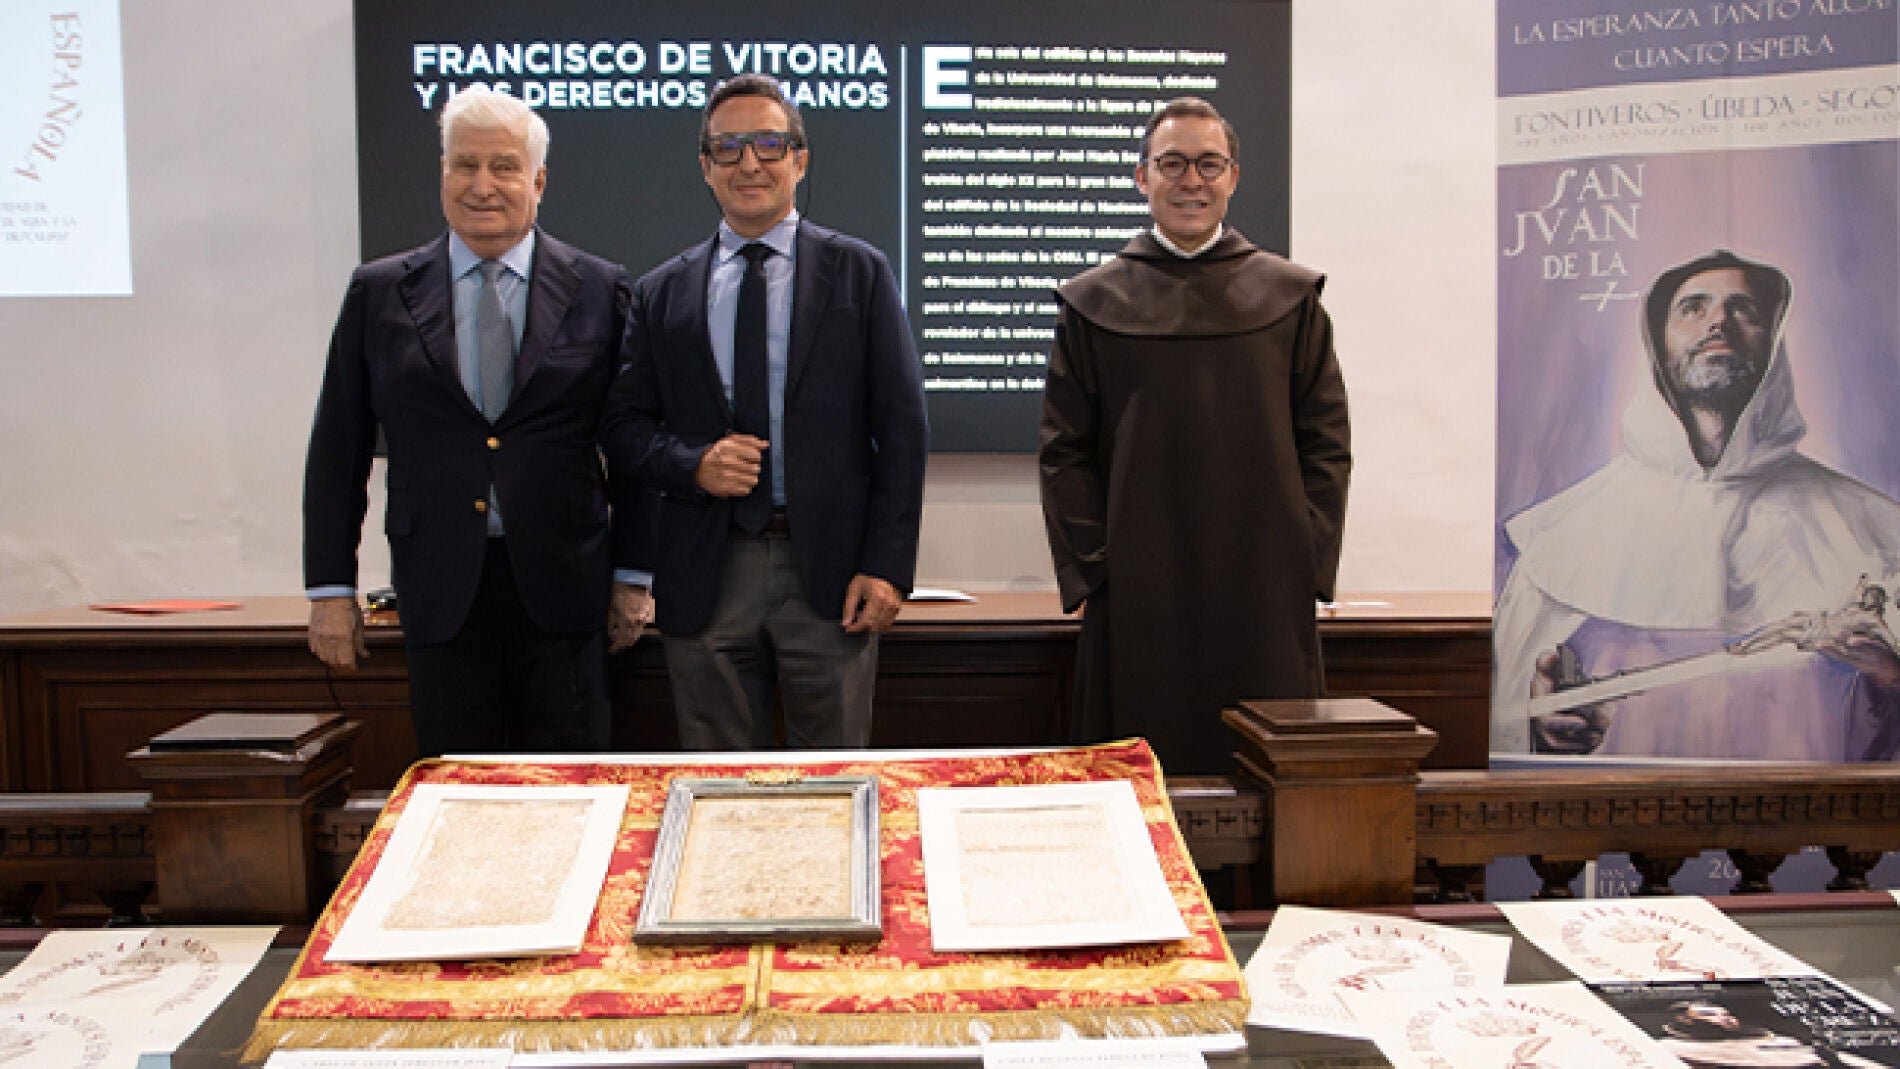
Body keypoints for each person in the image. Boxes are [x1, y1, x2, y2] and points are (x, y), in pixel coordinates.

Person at [303, 86, 651, 758]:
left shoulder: (601, 289)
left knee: (571, 792)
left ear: (538, 180)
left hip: (566, 590)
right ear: (442, 173)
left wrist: (634, 574)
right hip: (439, 590)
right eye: (464, 165)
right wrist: (330, 588)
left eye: (503, 166)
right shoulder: (378, 292)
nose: (482, 185)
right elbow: (337, 448)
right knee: (455, 793)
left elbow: (631, 447)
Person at [603, 74, 927, 751]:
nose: (749, 162)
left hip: (832, 575)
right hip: (706, 570)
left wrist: (890, 564)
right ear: (705, 167)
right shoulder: (663, 292)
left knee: (833, 786)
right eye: (729, 148)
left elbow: (900, 427)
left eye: (769, 144)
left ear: (799, 160)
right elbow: (624, 430)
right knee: (723, 792)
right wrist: (693, 465)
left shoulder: (858, 273)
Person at [1038, 96, 1352, 776]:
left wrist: (1302, 559)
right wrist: (1097, 569)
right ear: (1142, 177)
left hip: (1263, 593)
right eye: (1172, 163)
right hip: (1139, 596)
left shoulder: (1290, 300)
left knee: (1267, 788)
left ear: (1234, 176)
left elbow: (1326, 443)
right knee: (1143, 786)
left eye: (1208, 164)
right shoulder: (1092, 303)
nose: (1191, 180)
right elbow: (1065, 449)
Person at [1493, 250, 1900, 759]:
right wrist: (1542, 727)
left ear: (1774, 341)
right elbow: (1508, 711)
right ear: (1657, 343)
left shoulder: (1874, 532)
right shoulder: (1564, 537)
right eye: (1693, 308)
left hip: (1808, 828)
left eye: (1744, 310)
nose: (1718, 322)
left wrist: (1890, 680)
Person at [1660, 999, 1884, 1068]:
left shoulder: (1778, 1039)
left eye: (1726, 1013)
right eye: (1712, 1014)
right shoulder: (1669, 1047)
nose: (1725, 1017)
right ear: (1684, 1019)